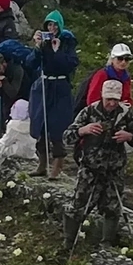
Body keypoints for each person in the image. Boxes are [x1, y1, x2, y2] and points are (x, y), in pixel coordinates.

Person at [63, 79, 133, 255]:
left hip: (114, 172)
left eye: (115, 99)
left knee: (112, 208)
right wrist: (82, 131)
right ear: (102, 95)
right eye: (108, 99)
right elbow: (67, 137)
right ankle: (68, 244)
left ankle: (106, 246)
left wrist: (129, 136)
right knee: (78, 207)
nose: (111, 103)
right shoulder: (89, 111)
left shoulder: (125, 114)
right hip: (90, 170)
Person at [31, 10, 80, 178]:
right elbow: (30, 64)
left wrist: (57, 51)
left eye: (54, 25)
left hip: (60, 88)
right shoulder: (43, 42)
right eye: (49, 25)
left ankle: (57, 164)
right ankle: (42, 163)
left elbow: (69, 65)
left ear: (60, 26)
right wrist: (37, 48)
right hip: (44, 86)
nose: (51, 28)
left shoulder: (67, 42)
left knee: (57, 126)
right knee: (41, 124)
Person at [0, 34, 36, 154]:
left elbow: (14, 93)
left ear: (4, 64)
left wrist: (4, 81)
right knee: (5, 113)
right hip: (8, 97)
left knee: (16, 119)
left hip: (23, 96)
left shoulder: (17, 69)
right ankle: (3, 142)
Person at [0, 96, 38, 175]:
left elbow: (6, 141)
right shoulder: (33, 122)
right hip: (31, 150)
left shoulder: (13, 124)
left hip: (19, 150)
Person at [83, 43, 133, 107]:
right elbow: (92, 100)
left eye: (127, 59)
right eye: (120, 58)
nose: (123, 62)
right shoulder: (102, 74)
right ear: (112, 59)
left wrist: (126, 105)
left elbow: (127, 99)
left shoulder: (126, 77)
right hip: (99, 113)